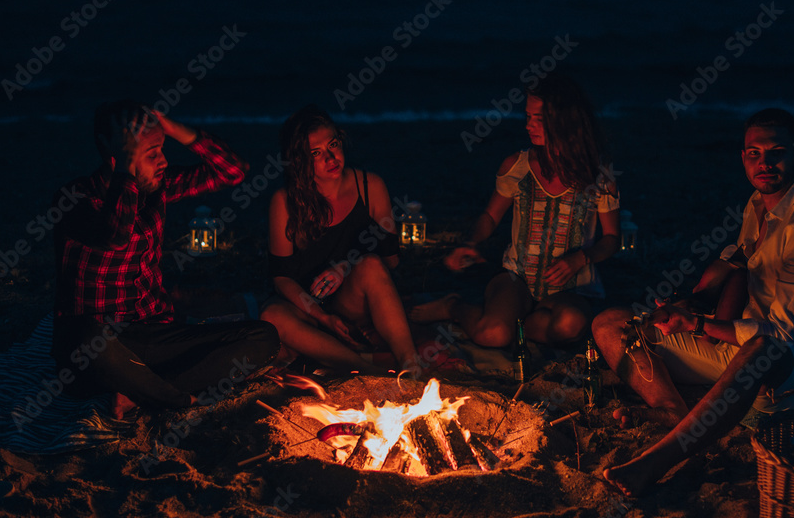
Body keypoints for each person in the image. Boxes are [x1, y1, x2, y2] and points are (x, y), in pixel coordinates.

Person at [593, 108, 794, 497]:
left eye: (776, 151)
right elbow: (737, 260)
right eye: (753, 153)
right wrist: (687, 304)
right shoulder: (760, 205)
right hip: (737, 348)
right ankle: (672, 410)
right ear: (743, 157)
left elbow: (780, 336)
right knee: (612, 323)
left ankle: (655, 463)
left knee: (761, 351)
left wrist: (696, 325)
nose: (763, 163)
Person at [51, 100, 280, 418]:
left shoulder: (158, 188)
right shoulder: (74, 198)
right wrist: (125, 169)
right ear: (117, 155)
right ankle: (168, 394)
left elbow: (233, 171)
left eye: (162, 148)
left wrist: (174, 128)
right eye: (150, 152)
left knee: (263, 337)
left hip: (153, 337)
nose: (163, 160)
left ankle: (138, 393)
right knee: (82, 337)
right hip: (101, 345)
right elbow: (116, 234)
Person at [411, 73, 620, 348]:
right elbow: (490, 216)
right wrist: (470, 242)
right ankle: (454, 307)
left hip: (573, 287)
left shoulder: (598, 176)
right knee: (492, 335)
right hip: (517, 278)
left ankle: (517, 324)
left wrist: (580, 258)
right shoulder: (517, 166)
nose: (528, 126)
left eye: (538, 119)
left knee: (569, 324)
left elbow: (612, 239)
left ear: (564, 121)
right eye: (527, 117)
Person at [260, 105, 422, 376]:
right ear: (299, 160)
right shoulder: (284, 202)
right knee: (270, 316)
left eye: (333, 144)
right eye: (316, 153)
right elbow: (281, 279)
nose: (330, 157)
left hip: (352, 304)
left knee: (370, 264)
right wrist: (322, 317)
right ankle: (366, 371)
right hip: (307, 310)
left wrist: (347, 264)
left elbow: (391, 260)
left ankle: (412, 366)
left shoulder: (370, 186)